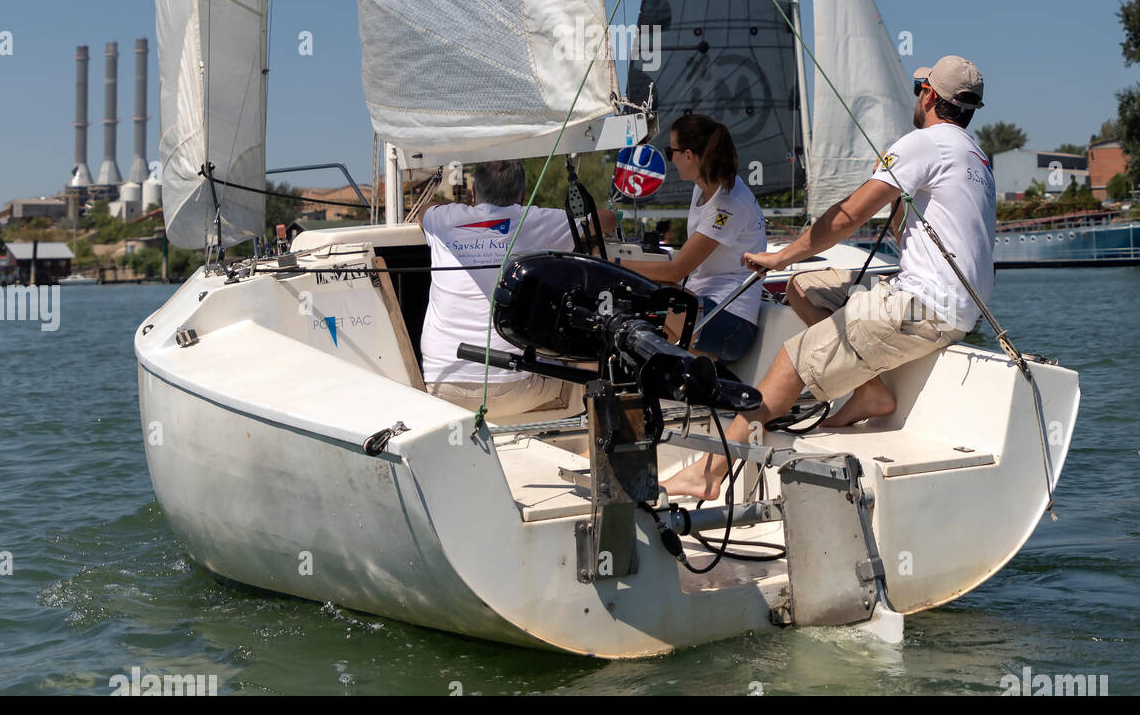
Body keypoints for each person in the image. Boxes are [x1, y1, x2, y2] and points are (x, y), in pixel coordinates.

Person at [664, 56, 993, 499]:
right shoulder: (977, 155)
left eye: (920, 90)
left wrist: (782, 257)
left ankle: (709, 473)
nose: (917, 98)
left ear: (930, 95)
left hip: (921, 305)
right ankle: (871, 391)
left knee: (791, 359)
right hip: (954, 307)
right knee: (805, 288)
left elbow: (849, 217)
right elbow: (902, 230)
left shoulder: (924, 143)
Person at [420, 159, 616, 419]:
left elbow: (423, 210)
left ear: (475, 194)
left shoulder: (445, 219)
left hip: (440, 386)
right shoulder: (536, 220)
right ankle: (595, 441)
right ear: (523, 195)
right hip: (512, 389)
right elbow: (607, 219)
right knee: (591, 369)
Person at [621, 114, 767, 362]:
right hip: (705, 308)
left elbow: (676, 270)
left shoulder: (727, 205)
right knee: (639, 302)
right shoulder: (704, 186)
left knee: (641, 303)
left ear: (688, 155)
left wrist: (614, 266)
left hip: (730, 323)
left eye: (671, 152)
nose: (671, 159)